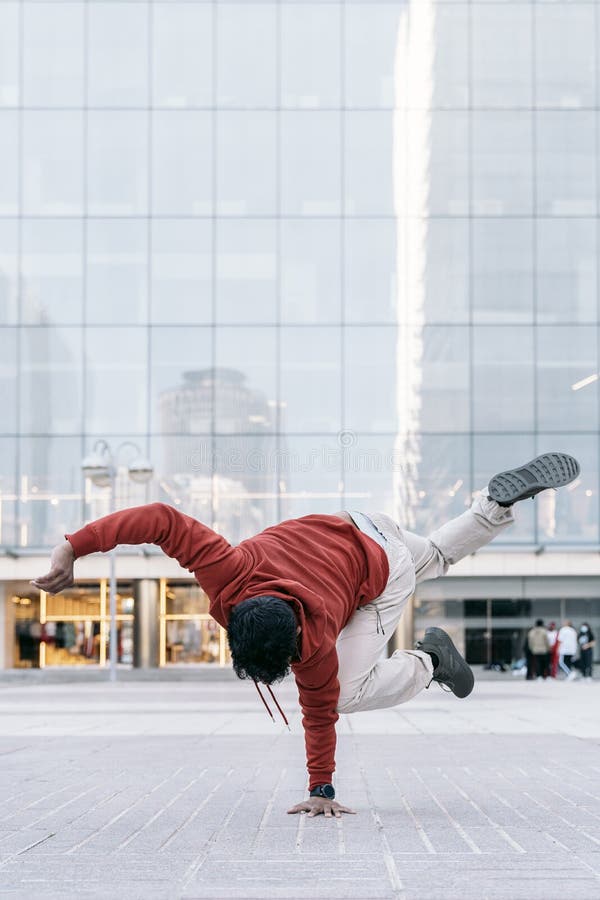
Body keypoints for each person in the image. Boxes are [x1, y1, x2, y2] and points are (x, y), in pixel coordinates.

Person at [32, 451, 579, 819]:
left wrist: (322, 789)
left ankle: (431, 660)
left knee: (346, 690)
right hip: (363, 523)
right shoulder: (225, 566)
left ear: (297, 636)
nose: (299, 666)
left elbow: (322, 710)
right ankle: (494, 505)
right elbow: (161, 519)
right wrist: (71, 547)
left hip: (376, 569)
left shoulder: (313, 643)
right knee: (434, 556)